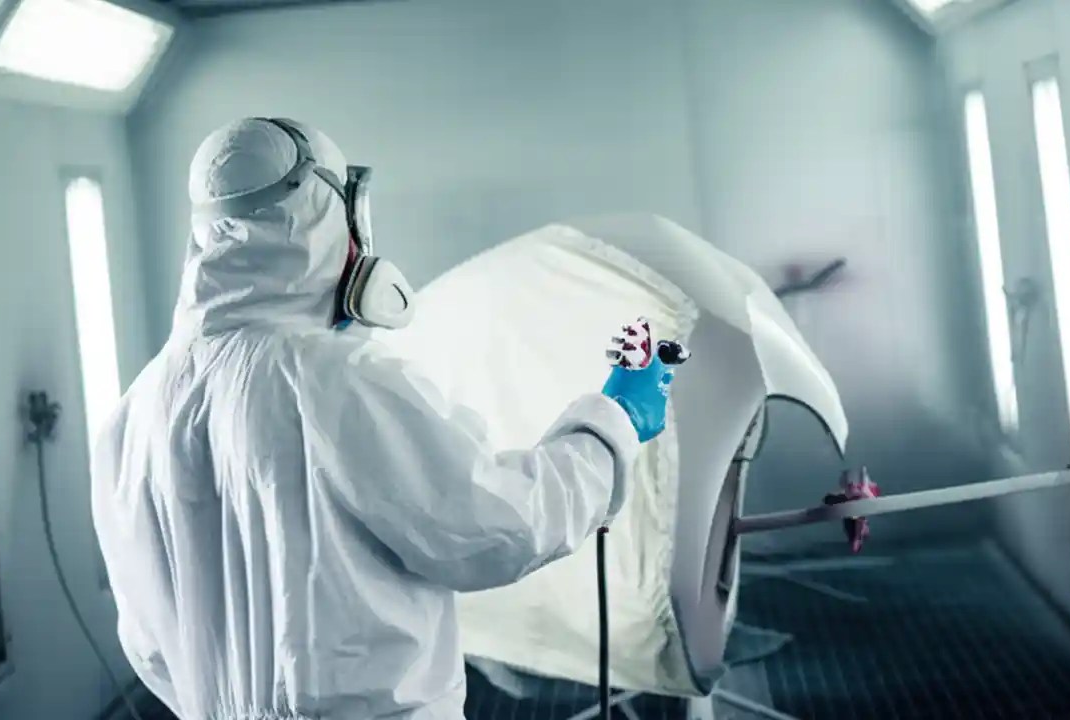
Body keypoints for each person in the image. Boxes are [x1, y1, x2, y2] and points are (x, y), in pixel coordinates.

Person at [90, 117, 677, 720]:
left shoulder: (133, 413)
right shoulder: (337, 376)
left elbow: (148, 644)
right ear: (324, 213)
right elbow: (496, 527)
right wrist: (611, 426)